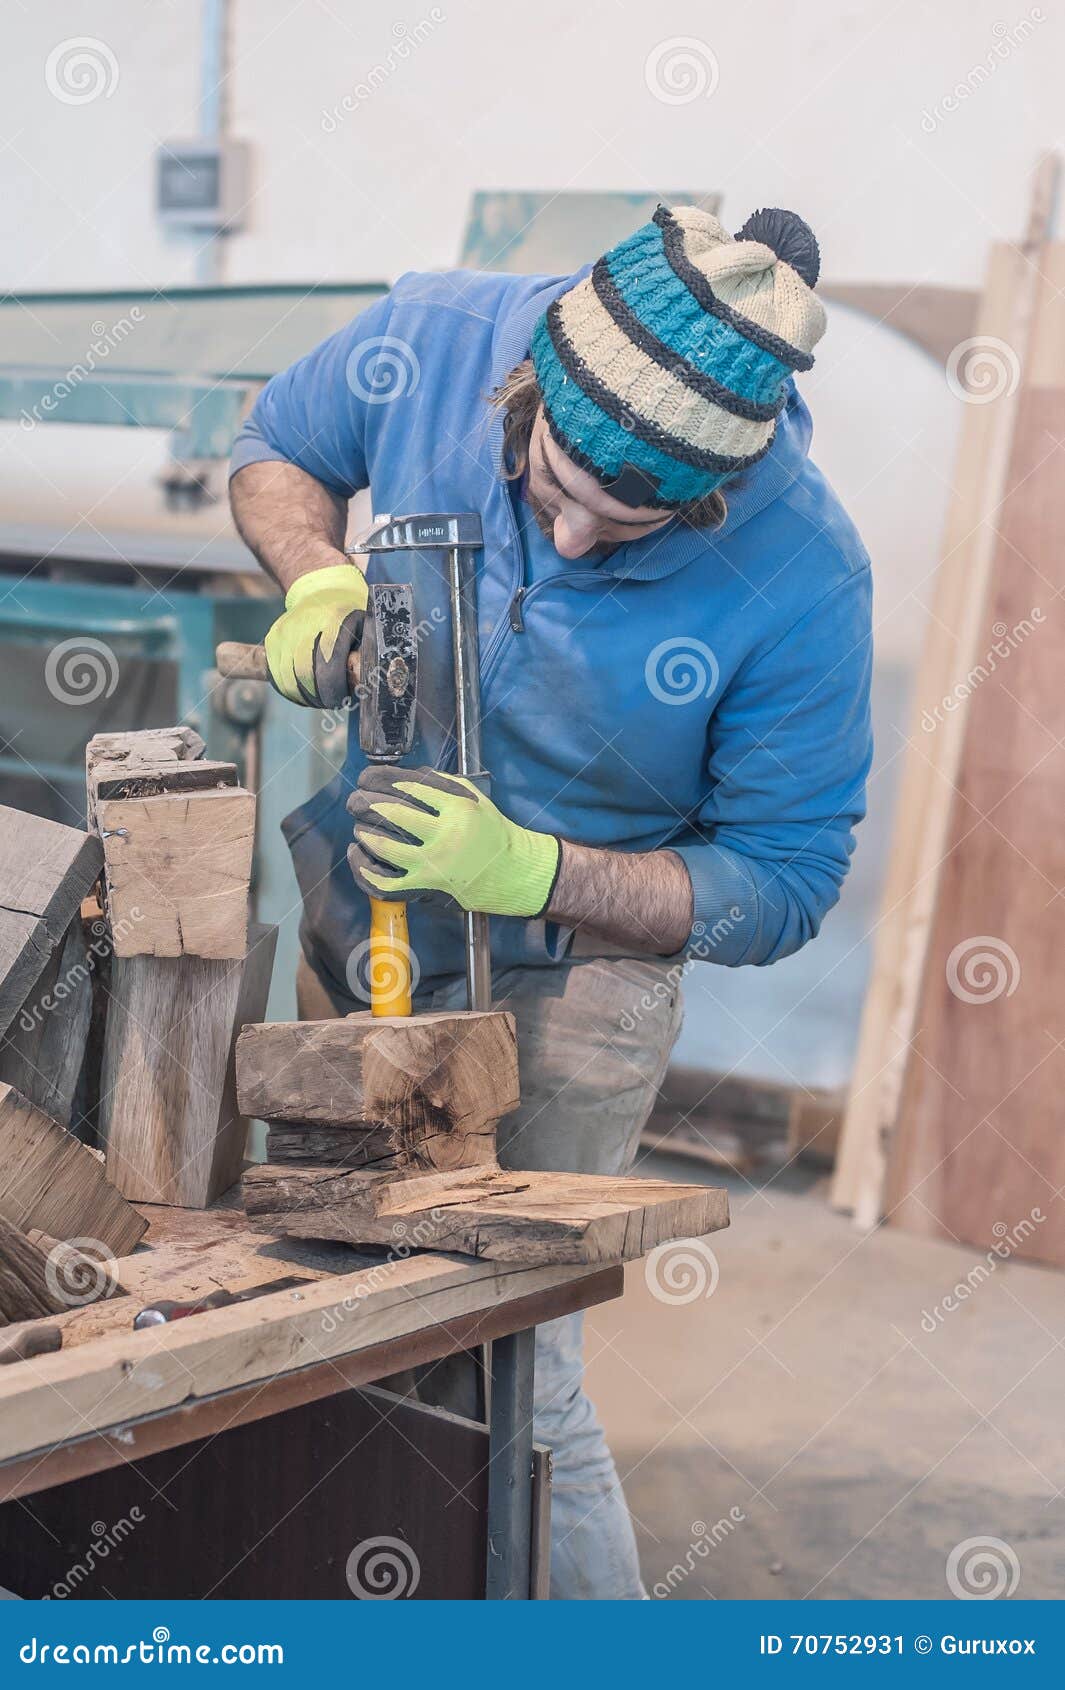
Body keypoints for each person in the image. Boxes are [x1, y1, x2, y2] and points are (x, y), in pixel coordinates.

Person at [228, 202, 873, 1599]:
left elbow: (782, 881)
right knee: (334, 1294)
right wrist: (315, 575)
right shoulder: (436, 336)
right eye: (546, 490)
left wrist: (535, 872)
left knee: (515, 1358)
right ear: (521, 391)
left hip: (587, 960)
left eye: (625, 525)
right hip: (371, 885)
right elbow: (275, 444)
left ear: (707, 492)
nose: (574, 543)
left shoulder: (802, 572)